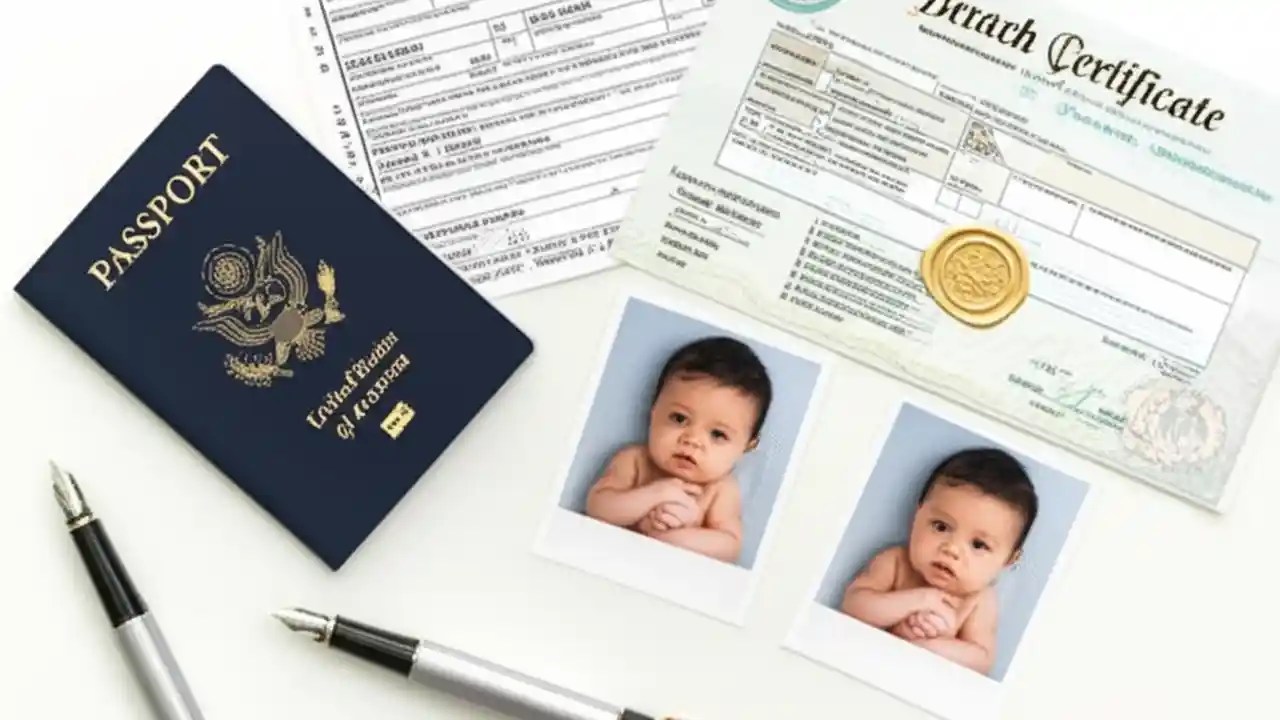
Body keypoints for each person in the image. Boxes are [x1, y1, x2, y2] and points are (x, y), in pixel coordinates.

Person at [839, 448, 1038, 676]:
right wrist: (919, 599)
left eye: (978, 545)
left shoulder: (979, 601)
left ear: (1007, 560)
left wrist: (930, 646)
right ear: (917, 515)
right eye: (941, 527)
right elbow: (853, 605)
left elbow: (981, 660)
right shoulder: (895, 562)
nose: (951, 549)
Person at [584, 336, 772, 564]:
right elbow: (598, 507)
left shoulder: (720, 489)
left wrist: (671, 536)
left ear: (747, 446)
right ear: (654, 410)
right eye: (679, 418)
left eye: (717, 434)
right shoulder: (634, 460)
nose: (692, 440)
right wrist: (656, 493)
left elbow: (729, 546)